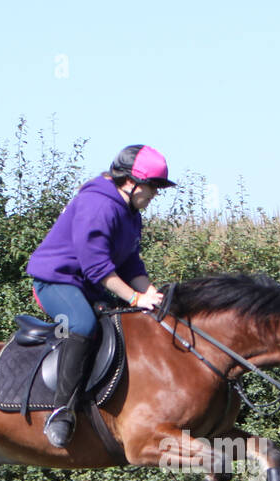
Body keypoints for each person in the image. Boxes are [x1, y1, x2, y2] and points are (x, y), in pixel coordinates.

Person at [25, 144, 177, 447]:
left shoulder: (130, 211)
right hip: (56, 282)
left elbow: (131, 262)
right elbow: (97, 268)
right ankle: (62, 411)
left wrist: (151, 294)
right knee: (83, 325)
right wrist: (135, 299)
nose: (155, 194)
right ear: (130, 182)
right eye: (153, 186)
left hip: (91, 285)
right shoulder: (99, 205)